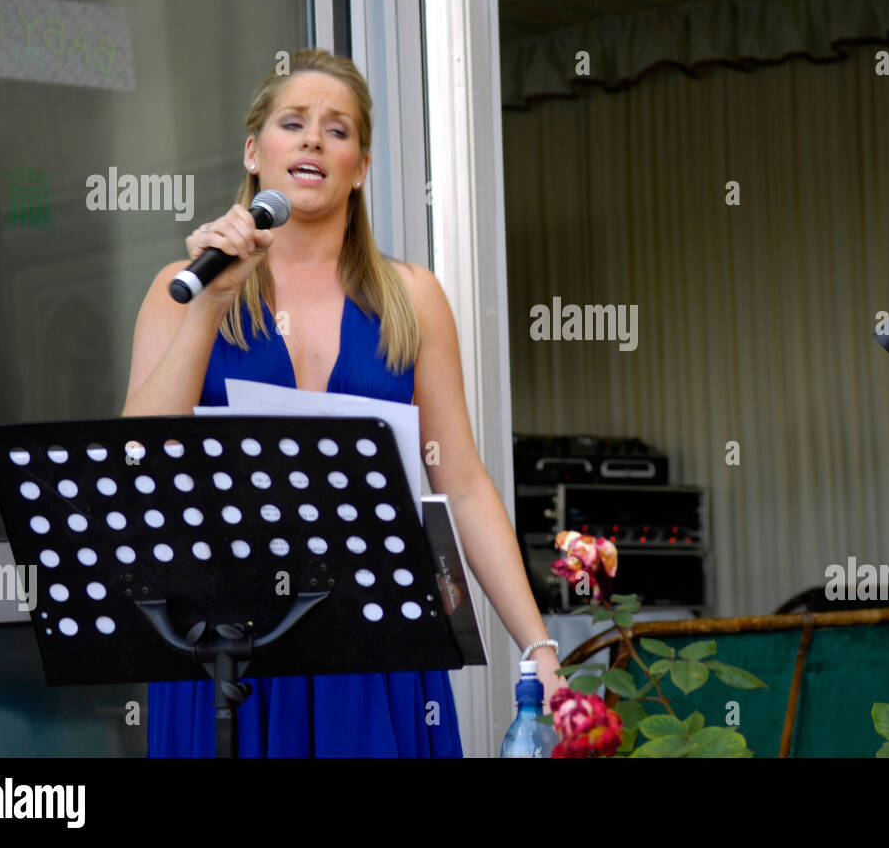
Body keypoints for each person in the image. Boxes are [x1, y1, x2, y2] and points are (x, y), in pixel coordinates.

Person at [123, 48, 567, 756]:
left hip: (372, 645)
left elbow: (462, 479)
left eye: (337, 129)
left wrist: (538, 642)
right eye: (292, 122)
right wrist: (209, 307)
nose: (311, 139)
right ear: (253, 151)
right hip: (221, 648)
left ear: (359, 167)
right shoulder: (181, 285)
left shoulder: (412, 296)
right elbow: (138, 459)